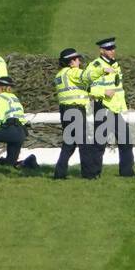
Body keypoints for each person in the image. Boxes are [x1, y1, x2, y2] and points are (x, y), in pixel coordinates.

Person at [81, 36, 135, 179]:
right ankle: (92, 173)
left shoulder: (115, 65)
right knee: (100, 144)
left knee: (126, 141)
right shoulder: (96, 65)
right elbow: (86, 85)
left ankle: (127, 172)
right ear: (101, 50)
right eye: (109, 49)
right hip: (103, 107)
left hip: (115, 109)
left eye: (113, 48)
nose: (112, 51)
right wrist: (103, 92)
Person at [0, 76, 37, 169]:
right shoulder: (14, 98)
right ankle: (27, 162)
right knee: (10, 164)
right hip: (21, 133)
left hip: (11, 130)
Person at [52, 48, 88, 180]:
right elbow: (88, 77)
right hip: (76, 110)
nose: (79, 62)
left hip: (65, 111)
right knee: (84, 143)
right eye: (78, 59)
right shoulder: (73, 72)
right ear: (72, 61)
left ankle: (59, 173)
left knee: (69, 143)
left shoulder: (59, 75)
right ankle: (88, 173)